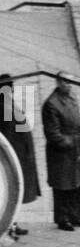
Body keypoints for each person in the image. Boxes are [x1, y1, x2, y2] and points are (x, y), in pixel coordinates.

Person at [42, 75, 80, 232]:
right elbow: (52, 133)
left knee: (76, 183)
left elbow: (79, 119)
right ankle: (63, 218)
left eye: (70, 82)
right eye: (65, 82)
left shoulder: (71, 97)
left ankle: (76, 216)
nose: (68, 85)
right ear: (58, 82)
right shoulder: (51, 104)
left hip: (76, 148)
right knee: (62, 185)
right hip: (61, 153)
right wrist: (69, 143)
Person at [0, 75, 41, 238]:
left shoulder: (7, 103)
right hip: (15, 156)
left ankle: (13, 225)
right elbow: (7, 135)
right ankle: (11, 226)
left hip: (20, 155)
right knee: (13, 191)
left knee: (16, 191)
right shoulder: (3, 106)